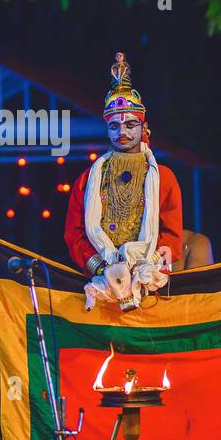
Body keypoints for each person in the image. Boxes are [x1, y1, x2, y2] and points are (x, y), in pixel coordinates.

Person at [64, 51, 183, 307]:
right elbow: (74, 234)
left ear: (143, 127)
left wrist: (159, 256)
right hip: (99, 285)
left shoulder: (163, 176)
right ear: (106, 129)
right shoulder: (88, 179)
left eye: (130, 125)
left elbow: (172, 233)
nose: (123, 132)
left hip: (150, 283)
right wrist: (102, 268)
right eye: (114, 126)